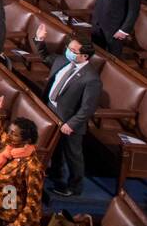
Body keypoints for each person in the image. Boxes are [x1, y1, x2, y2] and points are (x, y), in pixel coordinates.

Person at [31, 24, 99, 198]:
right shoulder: (63, 60)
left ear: (84, 56)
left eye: (73, 50)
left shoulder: (91, 78)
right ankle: (55, 174)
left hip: (70, 122)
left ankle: (75, 187)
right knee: (55, 149)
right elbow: (45, 57)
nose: (69, 51)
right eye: (69, 48)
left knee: (73, 155)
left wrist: (72, 124)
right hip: (50, 110)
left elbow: (88, 107)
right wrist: (40, 40)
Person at [0, 96, 45, 226]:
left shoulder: (32, 166)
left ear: (27, 141)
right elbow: (0, 134)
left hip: (15, 216)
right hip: (2, 207)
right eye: (10, 131)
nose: (9, 136)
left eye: (14, 134)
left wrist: (17, 225)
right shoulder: (13, 148)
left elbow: (33, 202)